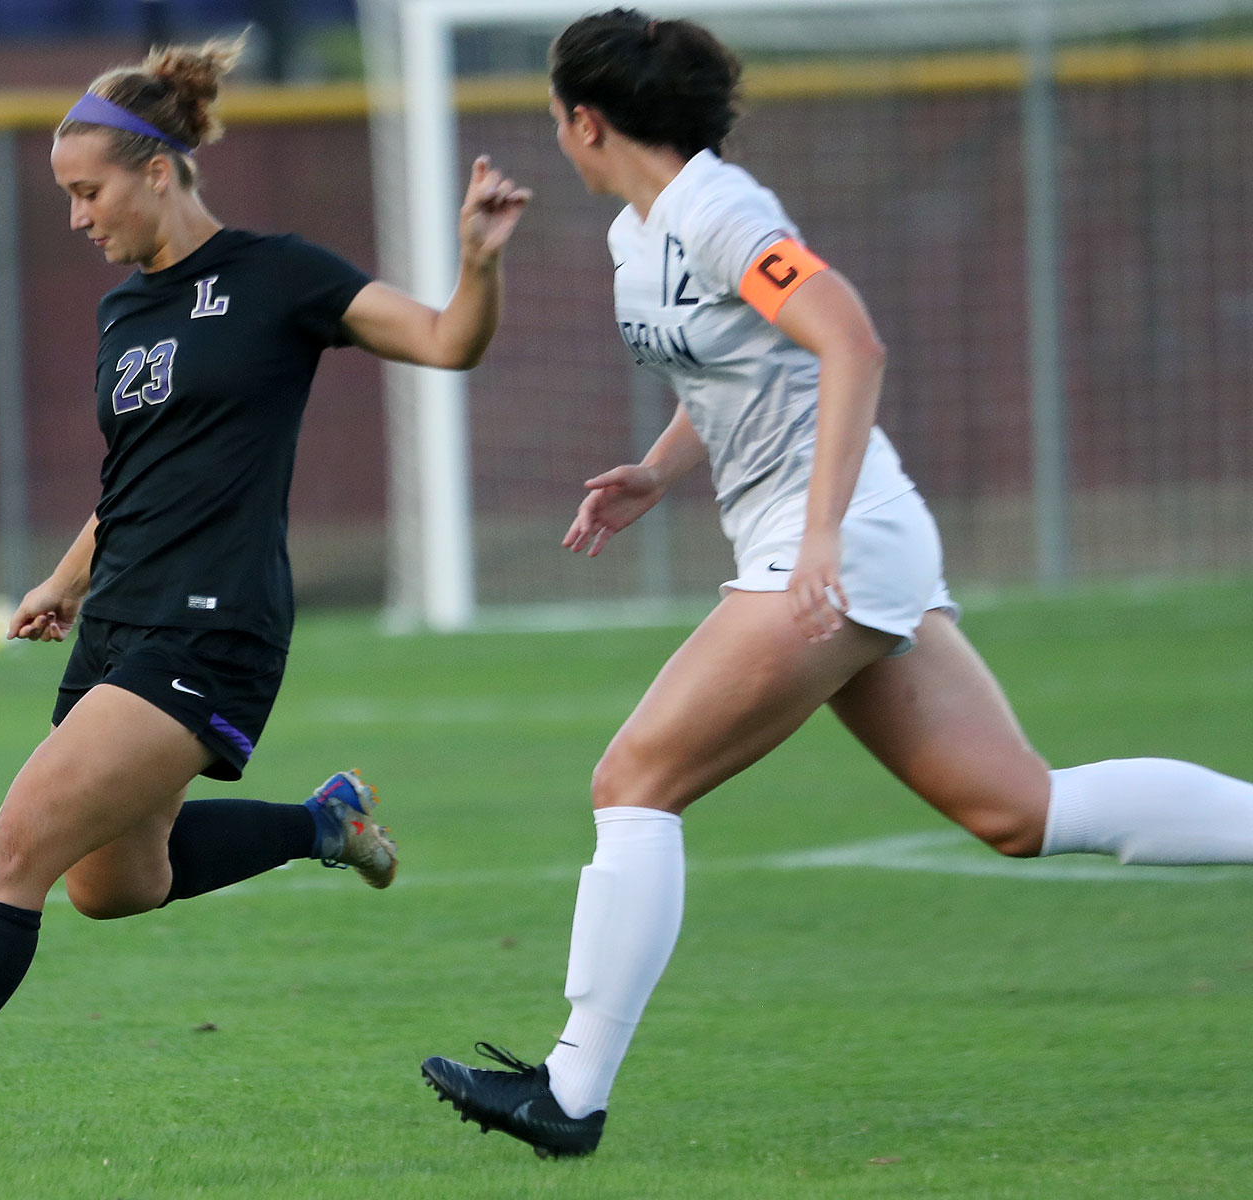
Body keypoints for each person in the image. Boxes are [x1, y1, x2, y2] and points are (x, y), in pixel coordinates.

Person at [420, 7, 1253, 1161]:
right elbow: (733, 375)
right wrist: (657, 475)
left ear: (586, 118)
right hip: (844, 543)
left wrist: (815, 543)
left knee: (633, 780)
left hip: (838, 543)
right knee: (1022, 812)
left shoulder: (719, 208)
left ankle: (570, 1091)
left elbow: (849, 340)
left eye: (554, 114)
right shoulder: (637, 231)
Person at [0, 34, 531, 1145]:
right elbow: (131, 485)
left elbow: (450, 341)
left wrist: (480, 261)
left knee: (14, 845)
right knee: (112, 886)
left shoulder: (282, 276)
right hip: (119, 620)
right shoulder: (124, 316)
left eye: (88, 193)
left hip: (217, 626)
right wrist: (64, 581)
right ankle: (325, 824)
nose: (78, 219)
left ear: (157, 171)